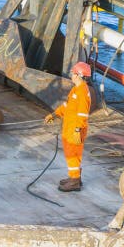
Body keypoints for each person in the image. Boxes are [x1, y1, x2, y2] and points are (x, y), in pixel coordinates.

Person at [45, 61, 92, 192]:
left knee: (73, 154)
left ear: (78, 75)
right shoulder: (76, 89)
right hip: (70, 127)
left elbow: (83, 114)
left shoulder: (82, 92)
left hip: (75, 129)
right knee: (70, 153)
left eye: (73, 73)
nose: (71, 75)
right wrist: (54, 114)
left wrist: (77, 129)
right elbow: (67, 106)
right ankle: (74, 177)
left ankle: (75, 181)